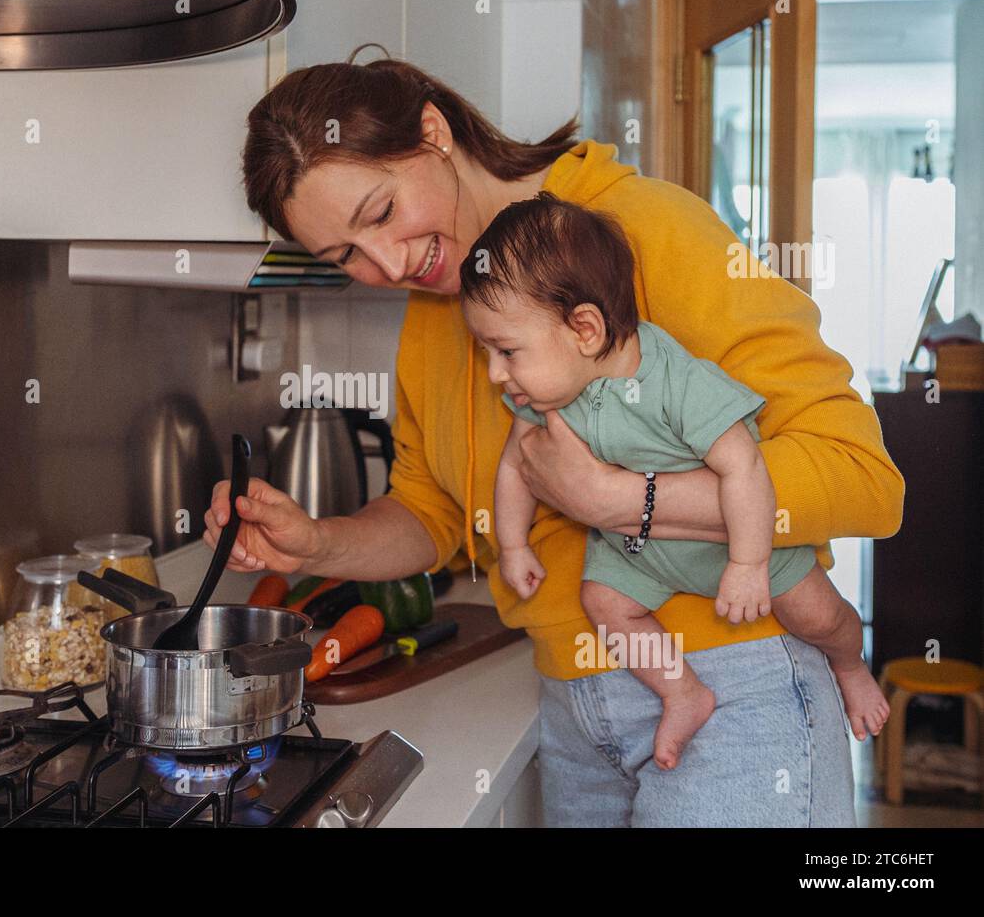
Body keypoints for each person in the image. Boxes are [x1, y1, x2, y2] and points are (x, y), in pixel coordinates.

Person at [204, 57, 904, 825]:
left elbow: (862, 477)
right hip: (575, 712)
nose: (392, 264)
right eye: (347, 258)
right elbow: (430, 516)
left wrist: (622, 501)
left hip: (739, 684)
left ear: (432, 133)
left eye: (381, 212)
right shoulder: (436, 311)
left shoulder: (644, 229)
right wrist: (313, 545)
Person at [462, 190, 890, 771]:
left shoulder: (677, 381)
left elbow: (745, 466)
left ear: (585, 329)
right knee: (603, 601)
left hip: (728, 545)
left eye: (506, 350)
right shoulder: (544, 399)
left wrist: (747, 563)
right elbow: (515, 466)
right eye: (487, 351)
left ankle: (850, 664)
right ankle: (682, 692)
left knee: (818, 615)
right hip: (639, 555)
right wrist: (512, 545)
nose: (494, 373)